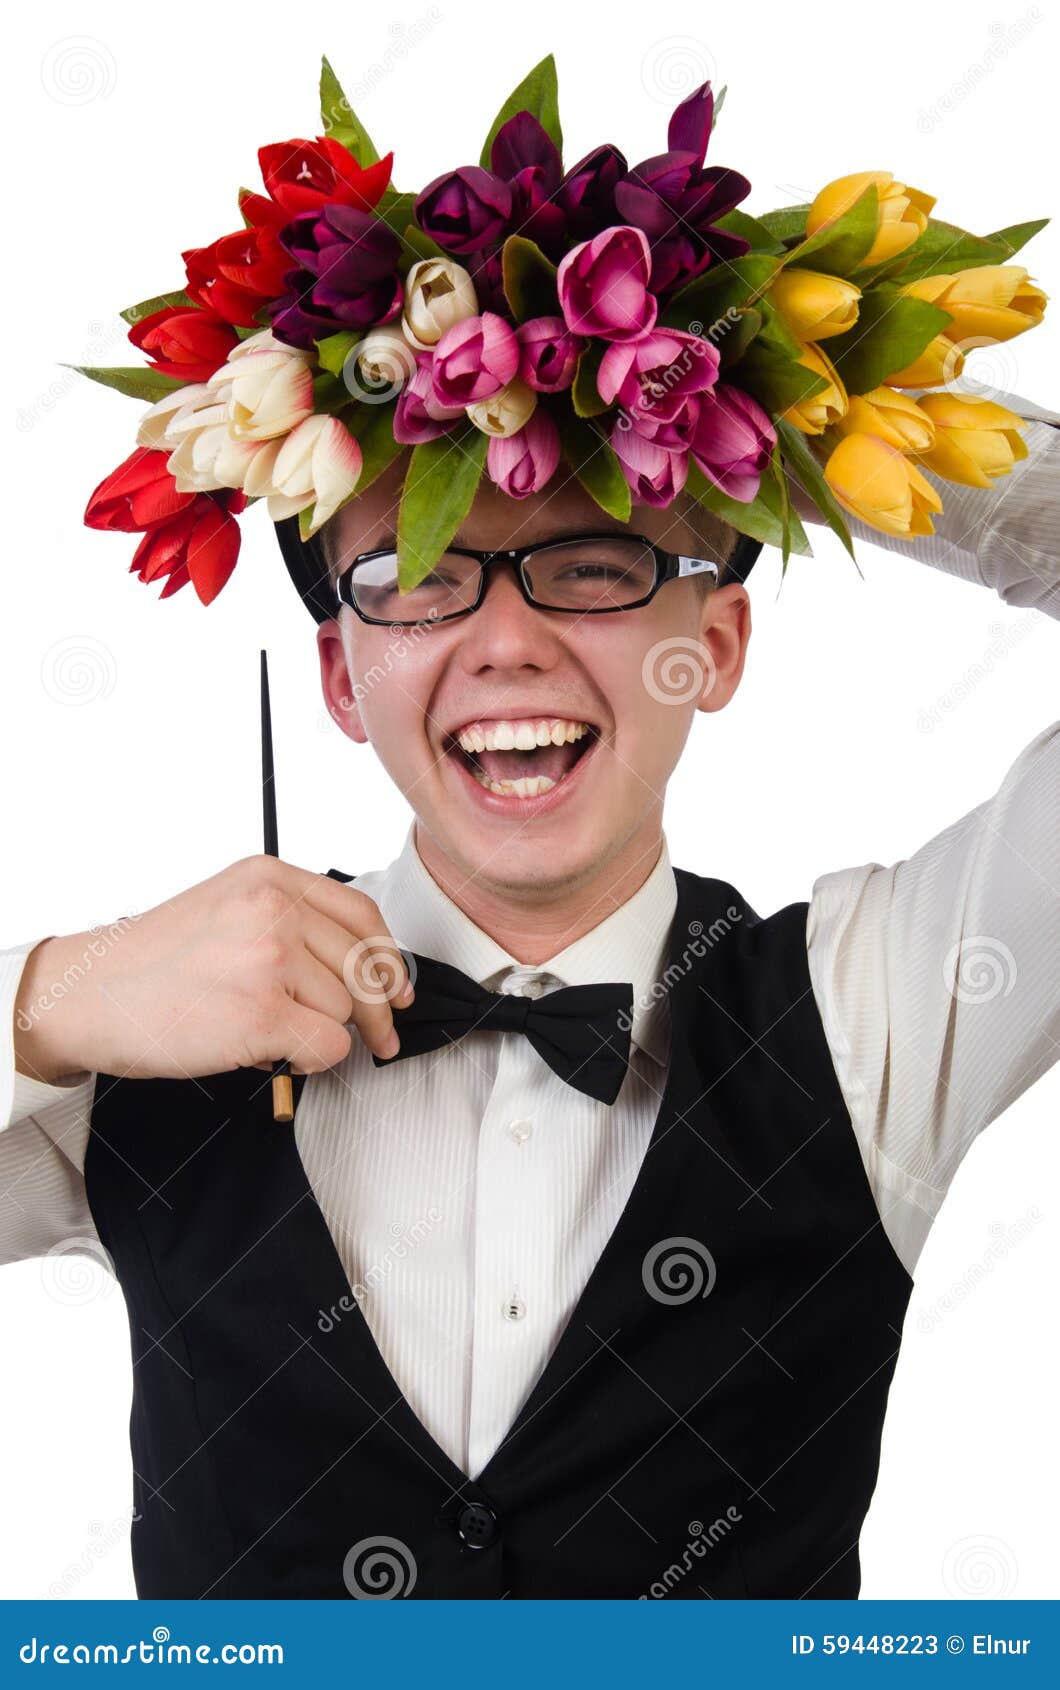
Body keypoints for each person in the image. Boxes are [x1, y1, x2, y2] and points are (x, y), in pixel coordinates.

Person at [2, 58, 1056, 1600]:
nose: (504, 643)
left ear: (726, 644)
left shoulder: (883, 1012)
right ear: (341, 676)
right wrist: (54, 996)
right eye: (422, 576)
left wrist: (814, 415)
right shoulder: (148, 1040)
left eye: (597, 562)